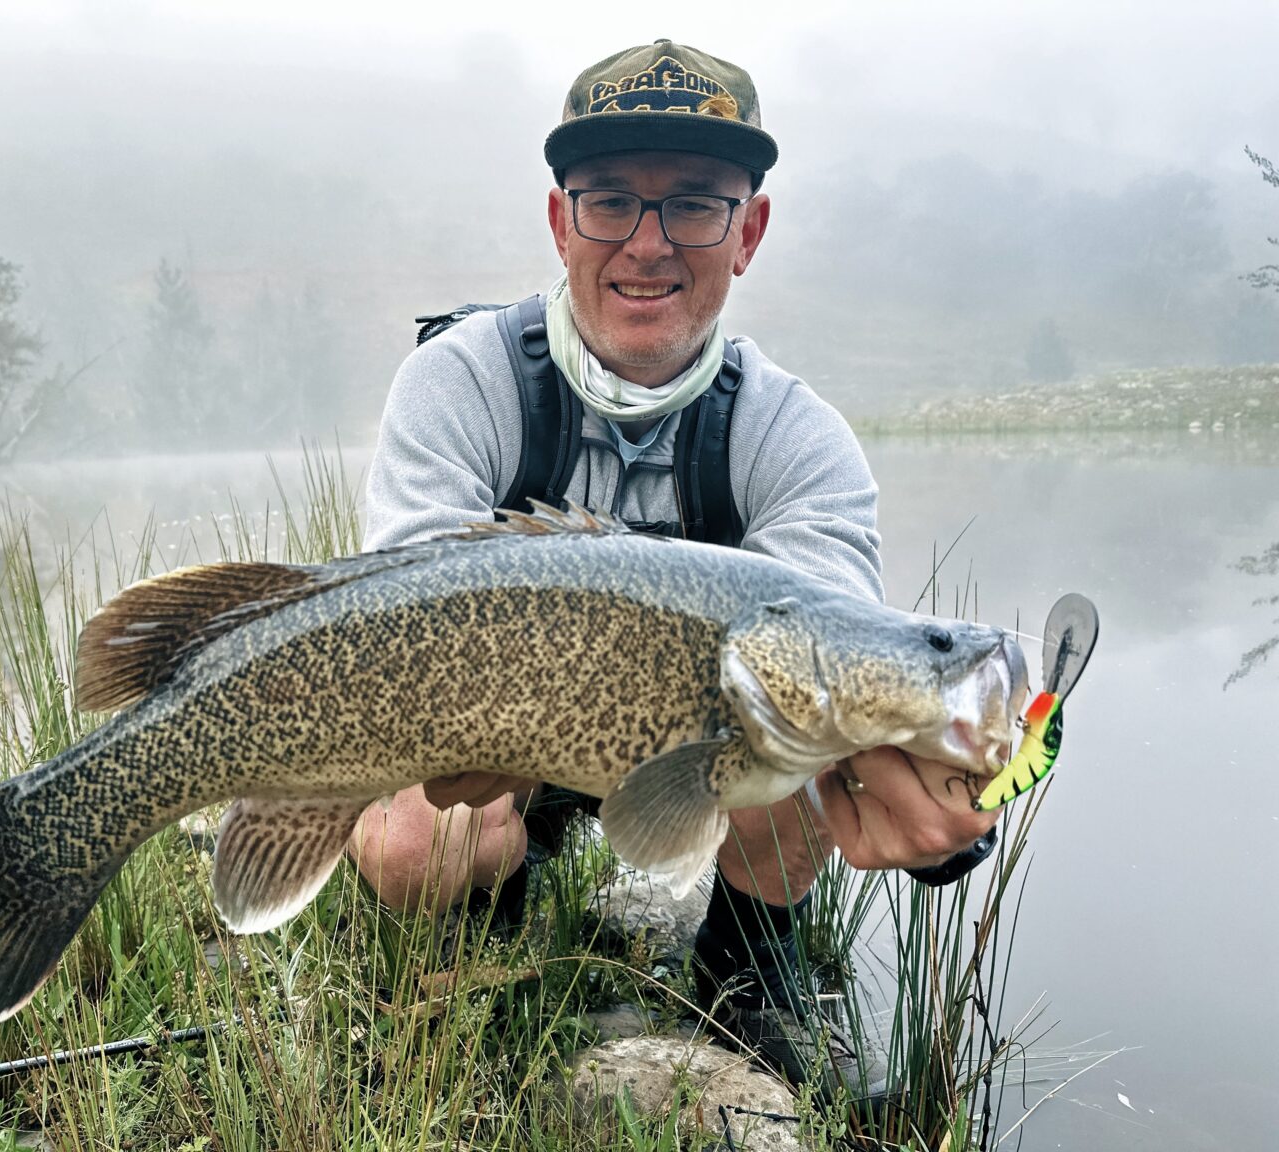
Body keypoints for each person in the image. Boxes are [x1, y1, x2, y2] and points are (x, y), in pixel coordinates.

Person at [348, 39, 1000, 1106]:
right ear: (562, 223)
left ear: (749, 232)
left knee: (797, 731)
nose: (647, 246)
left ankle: (743, 979)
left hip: (692, 752)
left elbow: (828, 654)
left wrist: (930, 780)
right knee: (416, 836)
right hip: (494, 741)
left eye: (695, 205)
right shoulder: (455, 380)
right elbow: (406, 630)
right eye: (611, 202)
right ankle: (480, 944)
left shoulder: (802, 439)